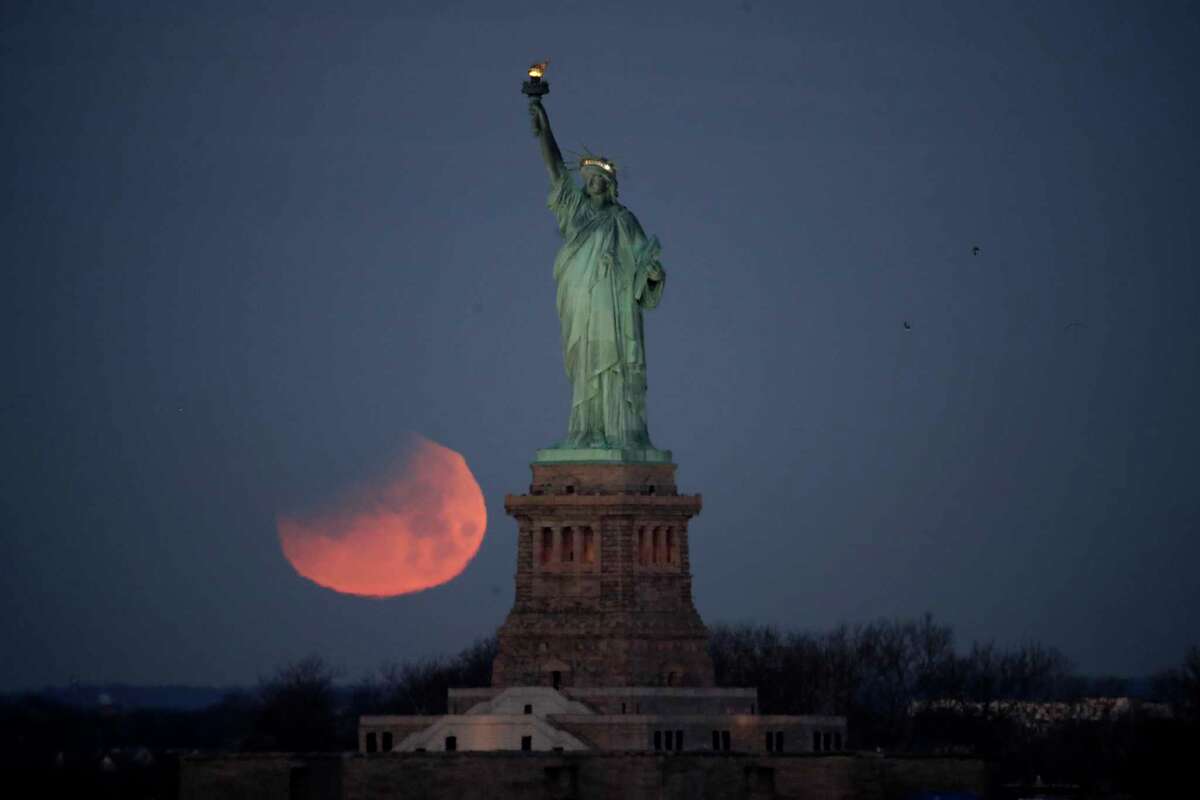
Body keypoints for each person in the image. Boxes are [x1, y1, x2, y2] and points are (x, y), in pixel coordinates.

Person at [529, 98, 666, 452]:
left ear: (610, 185)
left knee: (615, 361)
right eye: (588, 179)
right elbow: (556, 169)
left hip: (614, 302)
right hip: (581, 298)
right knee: (587, 361)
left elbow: (644, 263)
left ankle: (620, 433)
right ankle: (586, 431)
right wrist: (544, 127)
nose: (592, 184)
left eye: (599, 180)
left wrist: (652, 274)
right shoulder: (573, 209)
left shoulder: (624, 220)